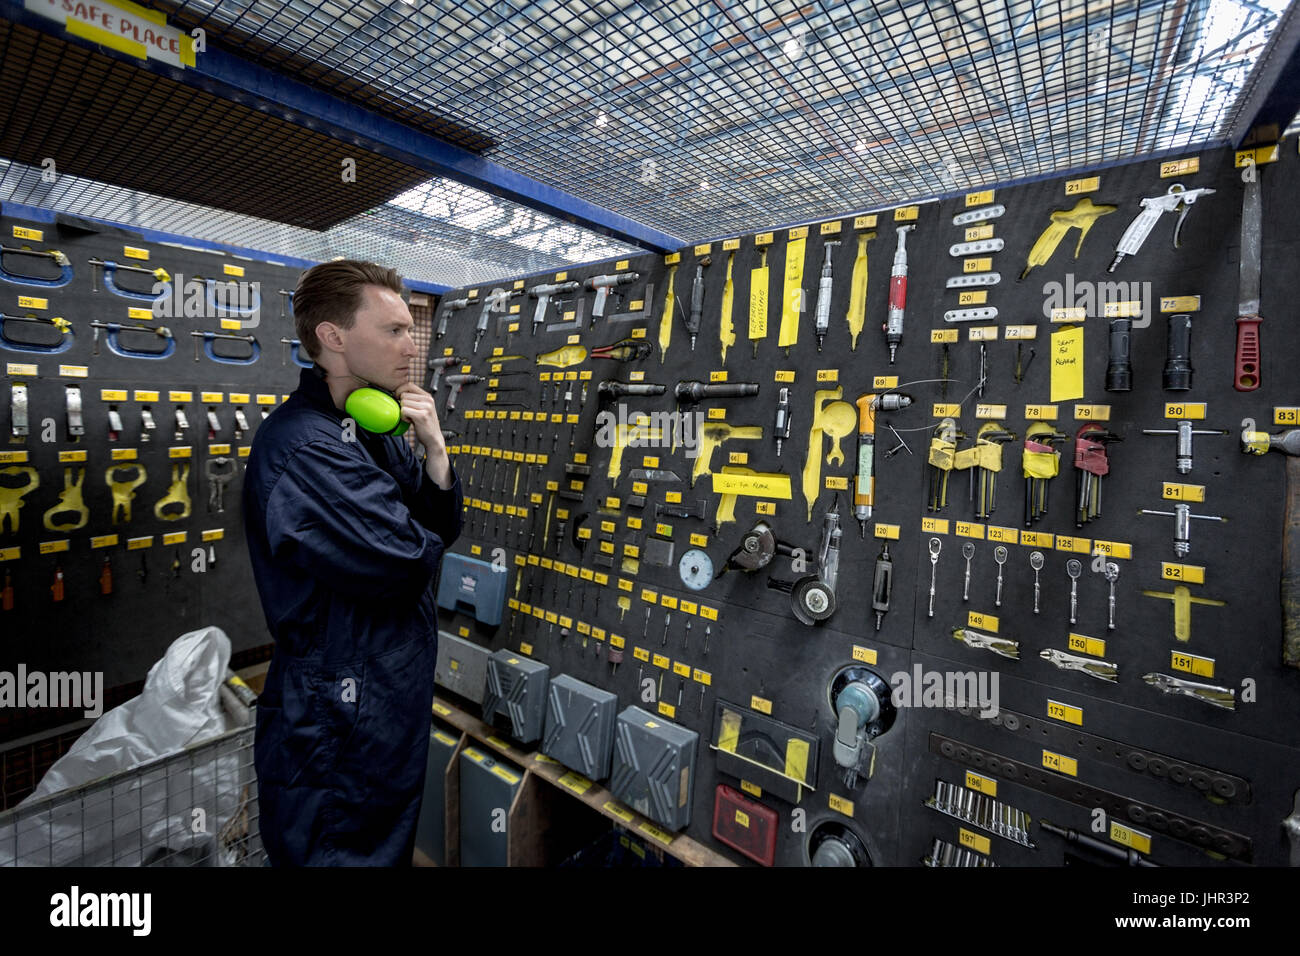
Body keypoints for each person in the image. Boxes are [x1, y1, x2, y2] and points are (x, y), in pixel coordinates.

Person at [242, 260, 462, 865]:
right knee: (342, 849)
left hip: (385, 694)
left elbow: (439, 526)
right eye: (393, 330)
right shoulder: (305, 448)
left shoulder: (373, 425)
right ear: (333, 339)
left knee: (382, 842)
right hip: (337, 712)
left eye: (408, 329)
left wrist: (435, 449)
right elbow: (409, 560)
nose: (411, 345)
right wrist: (419, 530)